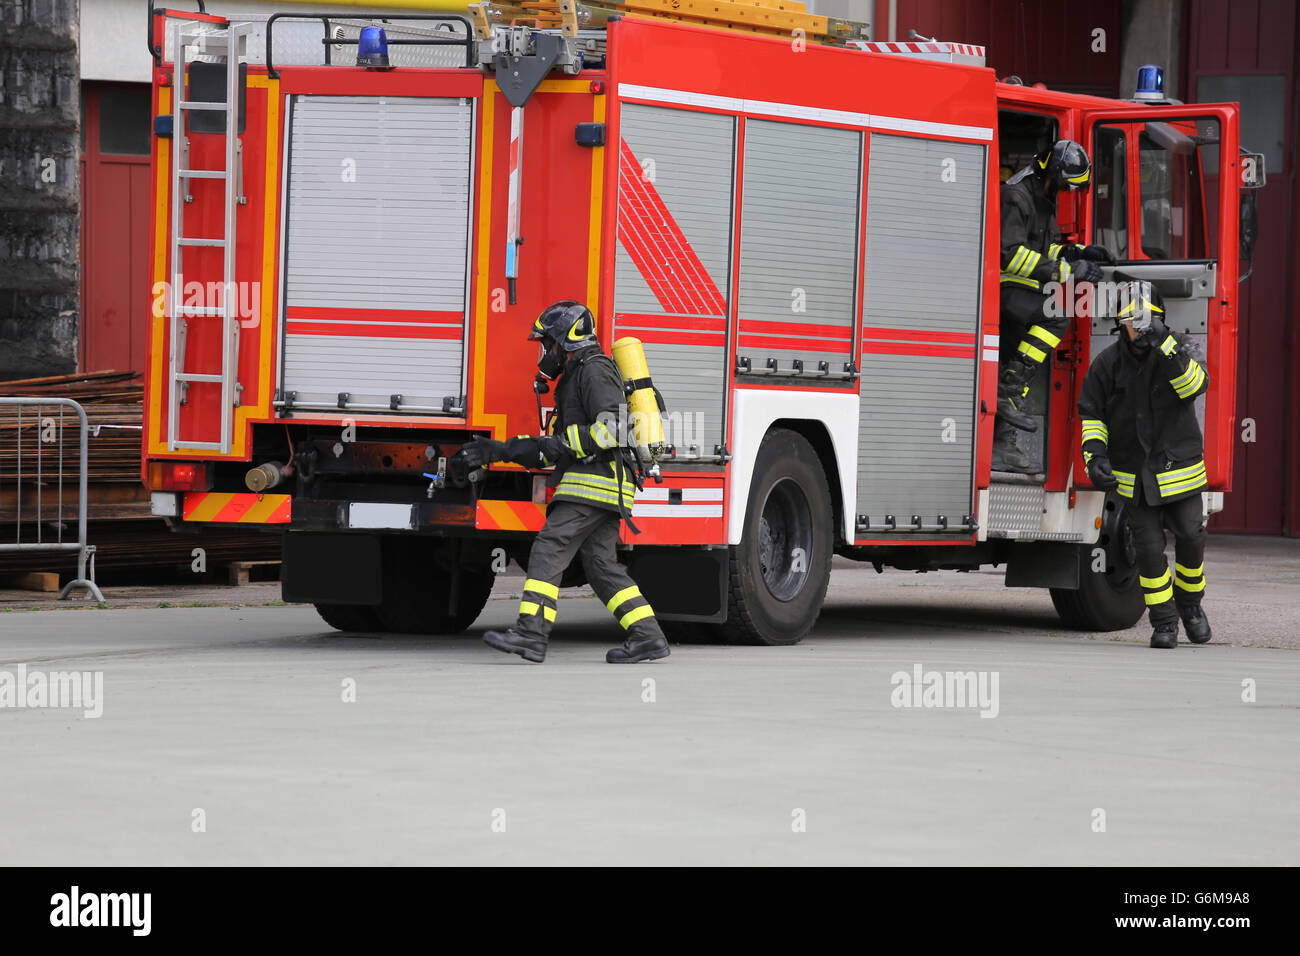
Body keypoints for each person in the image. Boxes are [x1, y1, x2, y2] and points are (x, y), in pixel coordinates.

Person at [462, 300, 670, 664]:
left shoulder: (594, 371)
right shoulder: (576, 377)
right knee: (600, 565)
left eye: (547, 343)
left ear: (565, 340)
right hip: (600, 482)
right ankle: (648, 637)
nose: (545, 353)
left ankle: (531, 633)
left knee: (549, 547)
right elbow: (551, 450)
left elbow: (614, 429)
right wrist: (499, 451)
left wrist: (563, 443)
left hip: (596, 481)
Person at [1077, 282, 1212, 649]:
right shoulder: (1107, 363)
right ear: (1121, 325)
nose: (1138, 330)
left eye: (1145, 321)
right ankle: (1164, 622)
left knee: (1190, 539)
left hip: (1180, 472)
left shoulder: (1180, 349)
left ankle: (1191, 608)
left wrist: (1165, 343)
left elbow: (1194, 386)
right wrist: (1095, 458)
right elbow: (1091, 415)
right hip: (1134, 480)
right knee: (1149, 553)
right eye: (1131, 323)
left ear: (1159, 319)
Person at [994, 138, 1114, 473]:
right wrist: (1067, 271)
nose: (1066, 191)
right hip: (1002, 290)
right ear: (1052, 173)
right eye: (1066, 184)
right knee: (1059, 310)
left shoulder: (1041, 197)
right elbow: (1009, 253)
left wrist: (1078, 253)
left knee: (1033, 342)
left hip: (1021, 289)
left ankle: (1004, 446)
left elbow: (1045, 250)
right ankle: (1010, 383)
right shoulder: (1016, 196)